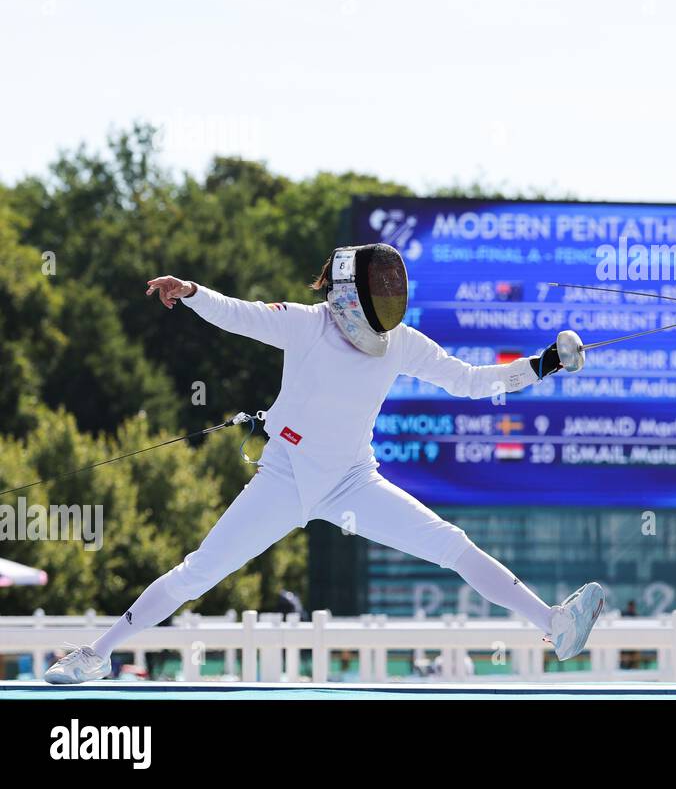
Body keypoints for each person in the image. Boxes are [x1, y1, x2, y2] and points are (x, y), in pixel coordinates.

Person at [45, 243, 604, 684]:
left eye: (393, 289)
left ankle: (554, 624)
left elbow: (470, 382)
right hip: (285, 478)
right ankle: (98, 654)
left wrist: (547, 363)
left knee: (452, 544)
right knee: (199, 572)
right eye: (379, 288)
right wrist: (191, 291)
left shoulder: (403, 342)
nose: (389, 299)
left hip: (353, 483)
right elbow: (238, 315)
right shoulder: (306, 323)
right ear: (349, 290)